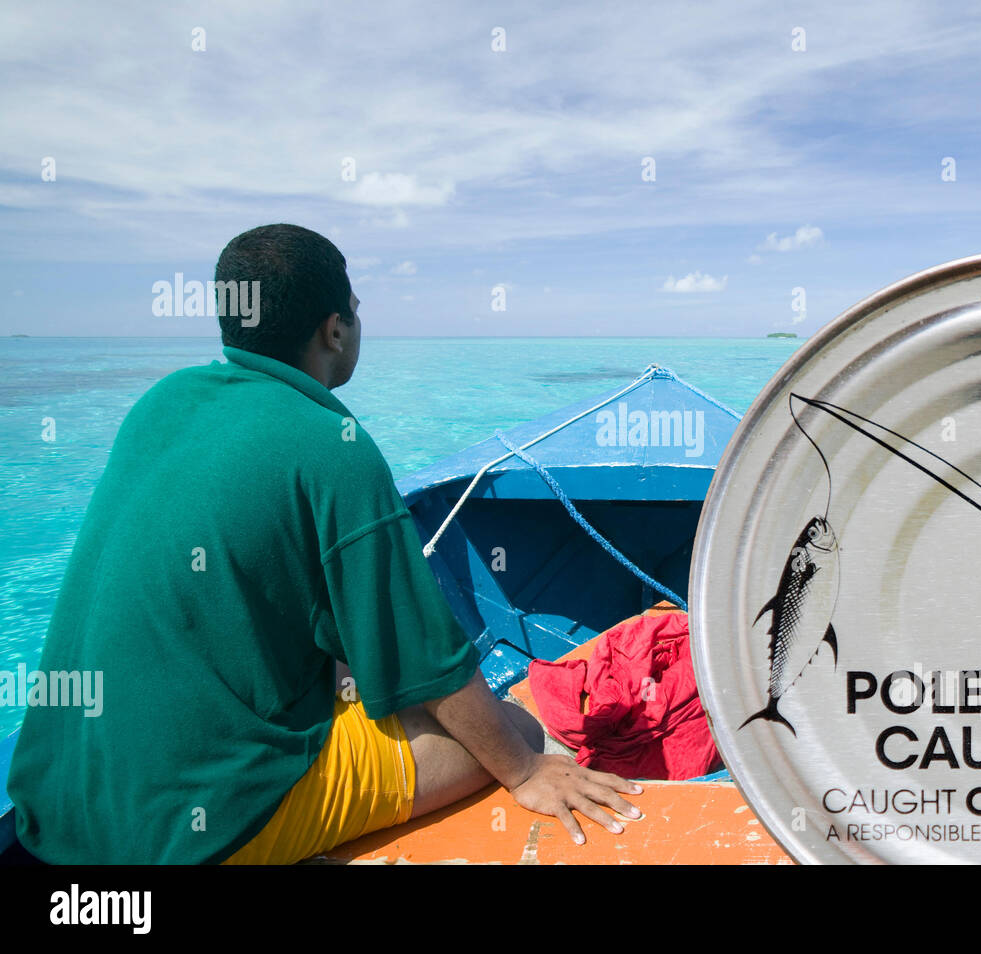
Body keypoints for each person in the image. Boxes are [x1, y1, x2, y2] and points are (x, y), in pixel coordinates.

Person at [6, 224, 641, 864]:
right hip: (184, 831)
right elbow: (428, 664)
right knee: (511, 729)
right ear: (334, 330)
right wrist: (526, 770)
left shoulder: (161, 403)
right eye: (357, 313)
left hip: (53, 801)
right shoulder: (332, 446)